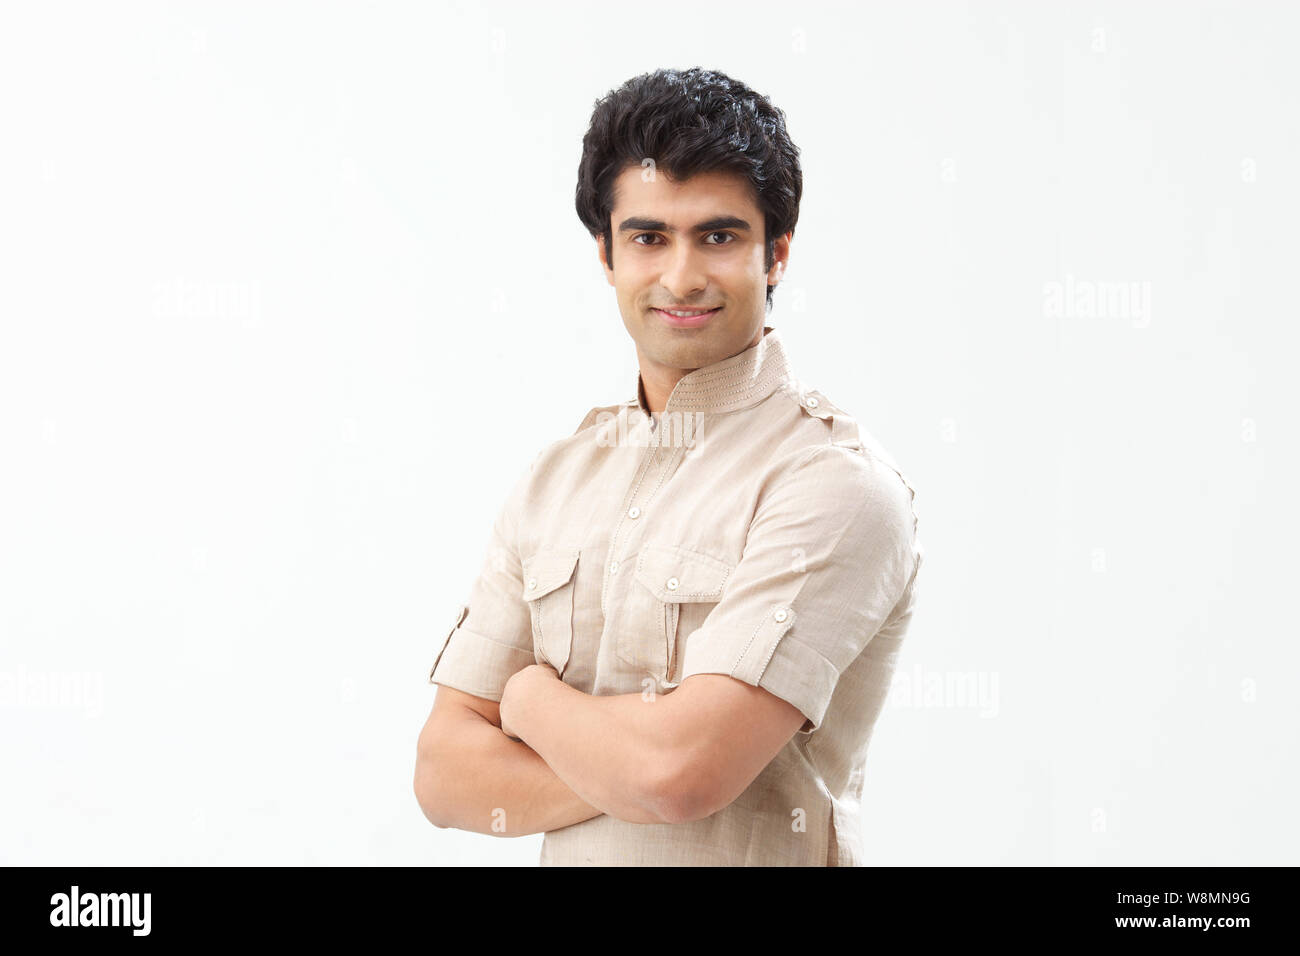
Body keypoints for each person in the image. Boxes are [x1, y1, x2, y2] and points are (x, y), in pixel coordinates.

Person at [413, 66, 923, 866]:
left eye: (718, 236)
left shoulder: (833, 483)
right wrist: (638, 764)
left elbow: (680, 774)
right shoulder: (555, 481)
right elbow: (444, 776)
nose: (682, 277)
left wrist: (527, 698)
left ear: (776, 253)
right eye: (650, 237)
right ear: (607, 255)